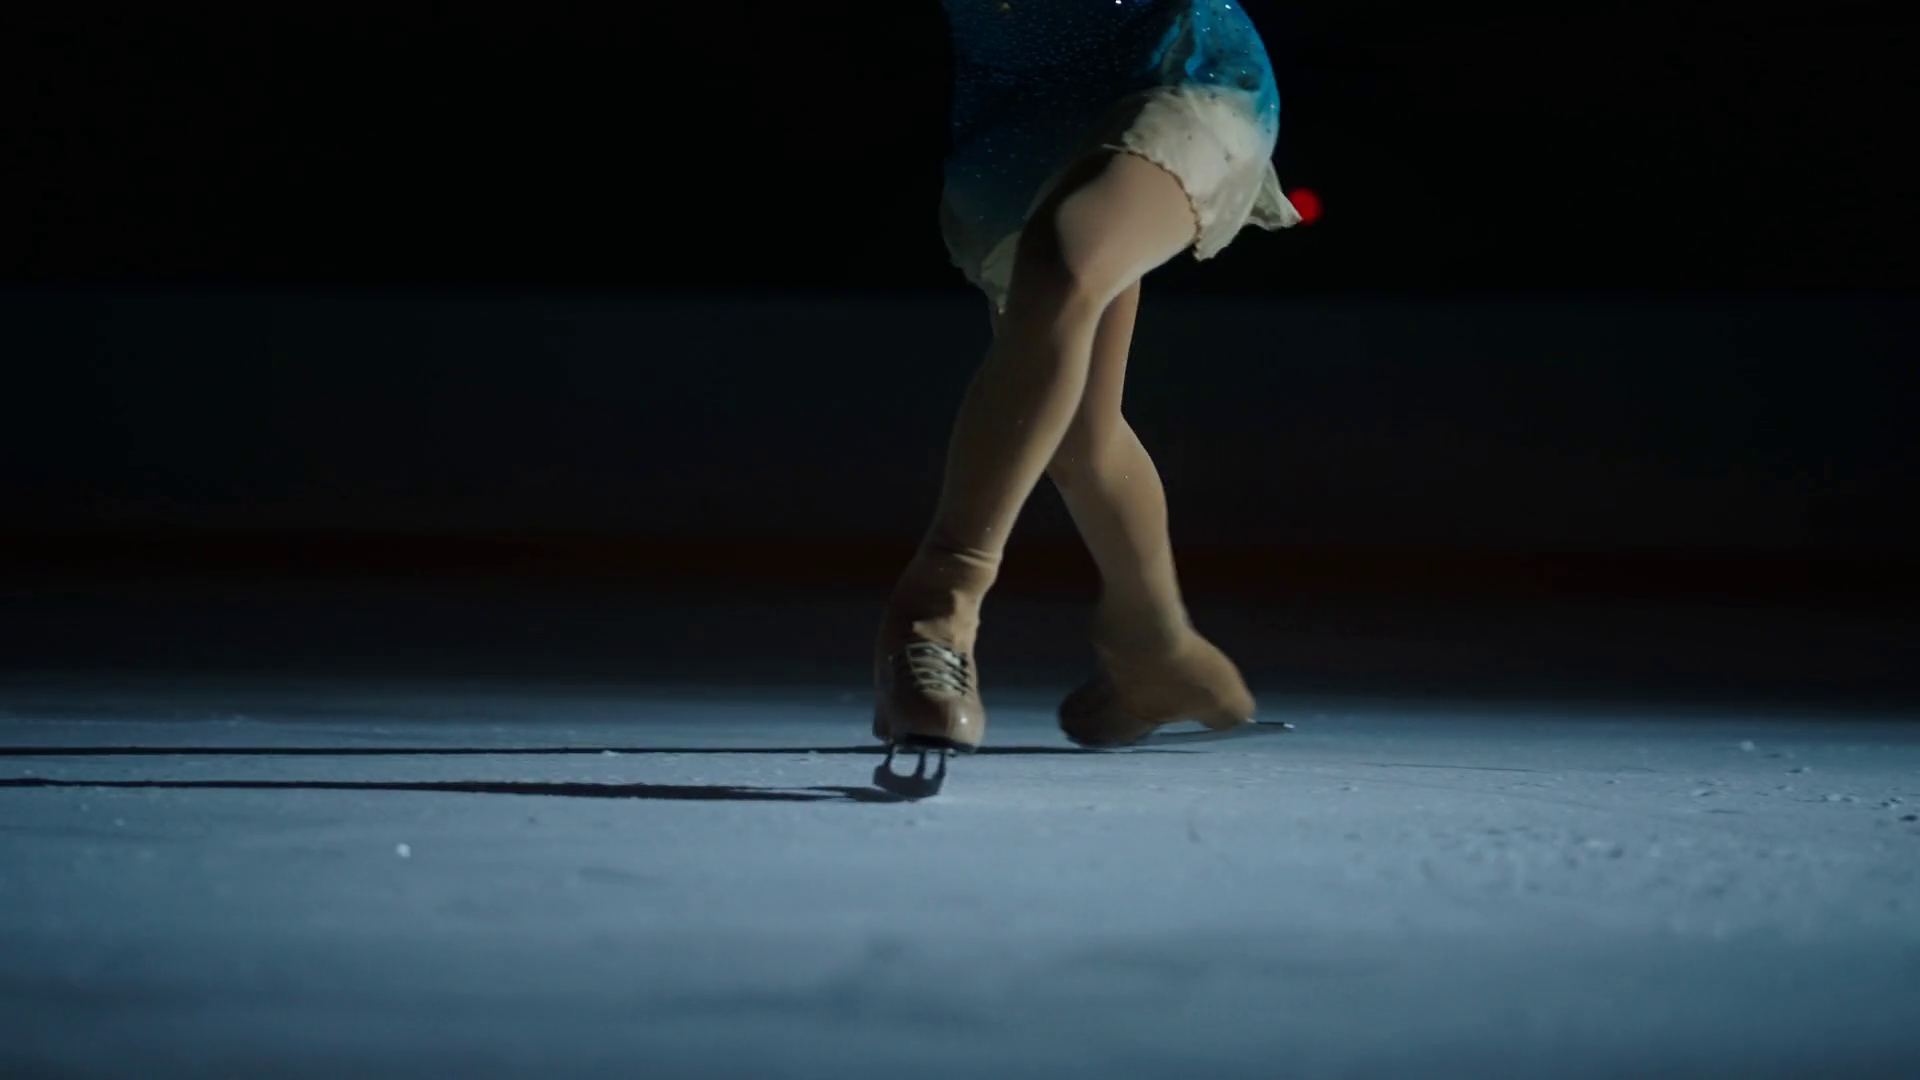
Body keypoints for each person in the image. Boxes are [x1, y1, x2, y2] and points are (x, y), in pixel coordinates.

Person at [874, 0, 1301, 755]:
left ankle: (938, 608)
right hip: (1017, 121)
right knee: (1074, 431)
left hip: (1182, 69)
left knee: (1065, 256)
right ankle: (1158, 646)